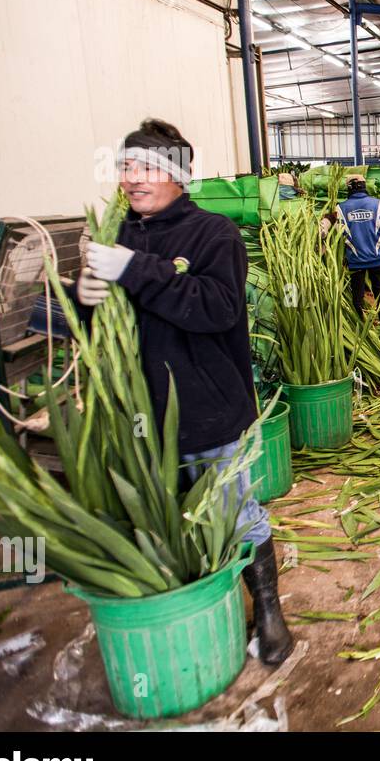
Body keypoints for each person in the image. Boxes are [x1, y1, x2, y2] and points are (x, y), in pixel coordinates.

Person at [75, 118, 293, 664]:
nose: (132, 178)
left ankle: (267, 610)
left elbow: (217, 309)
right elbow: (100, 326)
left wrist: (137, 269)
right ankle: (194, 619)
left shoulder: (213, 233)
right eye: (125, 167)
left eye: (147, 167)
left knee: (237, 514)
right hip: (139, 416)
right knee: (165, 521)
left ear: (179, 174)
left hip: (208, 410)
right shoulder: (115, 234)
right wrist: (84, 296)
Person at [337, 176, 380, 336]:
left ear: (349, 188)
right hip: (376, 260)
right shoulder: (378, 204)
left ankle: (362, 334)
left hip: (355, 262)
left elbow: (339, 235)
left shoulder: (341, 208)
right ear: (364, 186)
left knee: (357, 298)